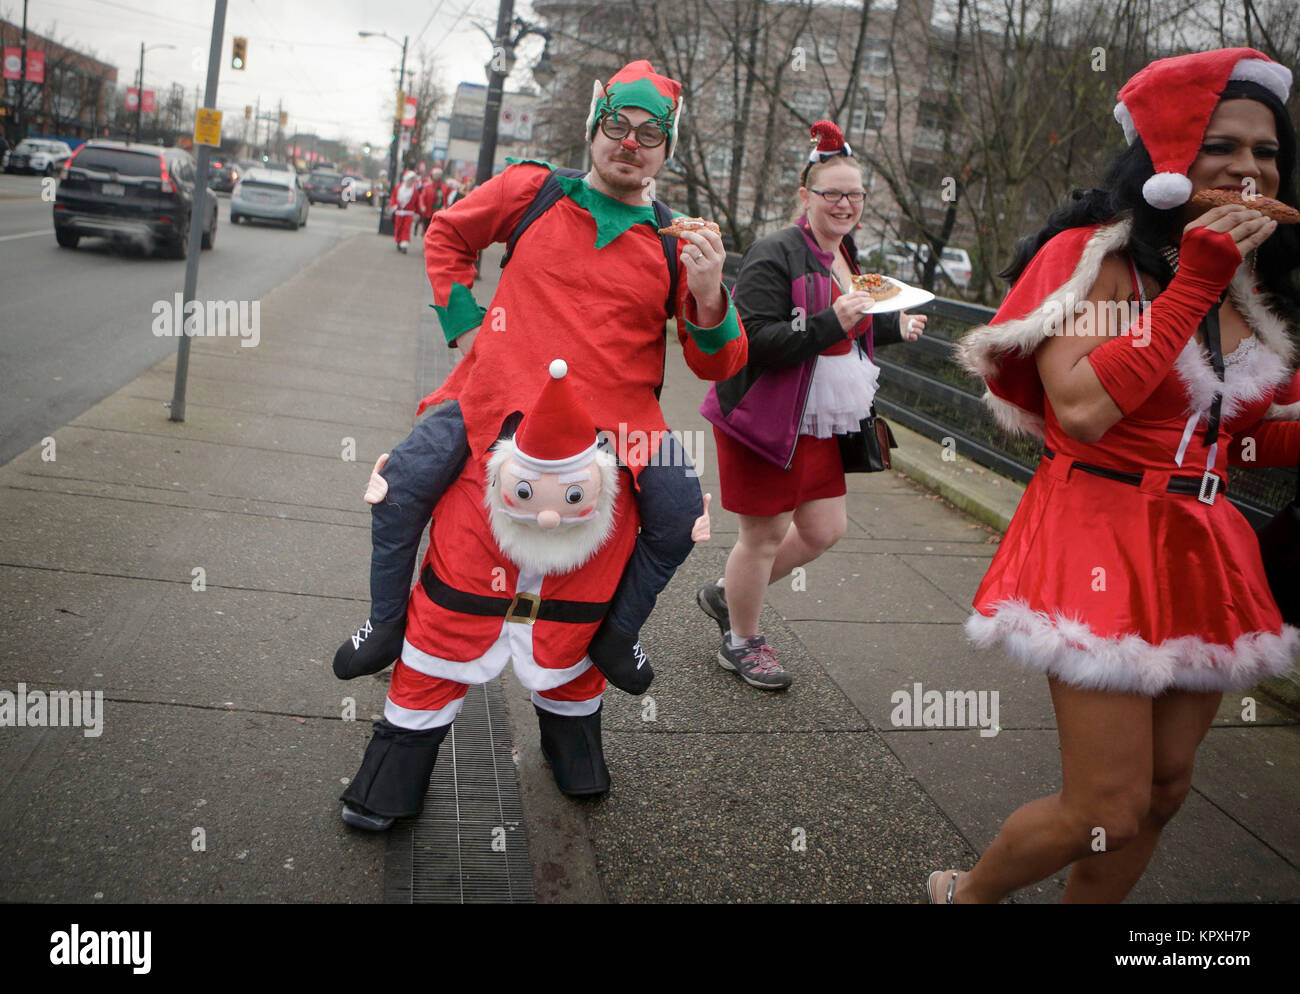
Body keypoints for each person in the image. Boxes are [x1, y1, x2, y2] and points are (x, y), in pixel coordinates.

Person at [930, 48, 1300, 903]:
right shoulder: (1093, 259)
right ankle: (968, 898)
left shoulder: (1245, 294)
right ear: (1168, 158)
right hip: (1097, 528)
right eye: (1221, 145)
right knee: (1104, 803)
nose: (1248, 167)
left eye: (1265, 151)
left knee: (1165, 793)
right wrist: (1193, 284)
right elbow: (1083, 409)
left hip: (1199, 547)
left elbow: (1225, 441)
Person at [333, 61, 747, 808]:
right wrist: (466, 330)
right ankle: (384, 627)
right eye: (618, 126)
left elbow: (716, 362)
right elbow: (449, 234)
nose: (631, 143)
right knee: (399, 488)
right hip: (494, 399)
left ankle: (615, 638)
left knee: (683, 513)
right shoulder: (534, 189)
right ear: (594, 127)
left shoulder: (675, 241)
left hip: (622, 425)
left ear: (667, 151)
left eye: (651, 135)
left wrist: (712, 292)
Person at [696, 121, 927, 690]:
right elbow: (750, 341)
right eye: (833, 194)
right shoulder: (775, 252)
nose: (845, 204)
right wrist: (832, 321)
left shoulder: (845, 253)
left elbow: (847, 331)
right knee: (763, 536)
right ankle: (743, 641)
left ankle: (731, 594)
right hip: (763, 417)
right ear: (806, 197)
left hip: (819, 421)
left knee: (824, 529)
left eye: (855, 195)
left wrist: (893, 326)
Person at [388, 169, 419, 253]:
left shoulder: (415, 191)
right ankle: (399, 241)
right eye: (410, 179)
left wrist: (417, 212)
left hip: (408, 213)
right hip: (399, 211)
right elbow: (393, 198)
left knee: (406, 228)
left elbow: (417, 202)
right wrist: (393, 206)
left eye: (413, 179)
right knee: (398, 228)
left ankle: (404, 244)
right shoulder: (398, 188)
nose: (411, 181)